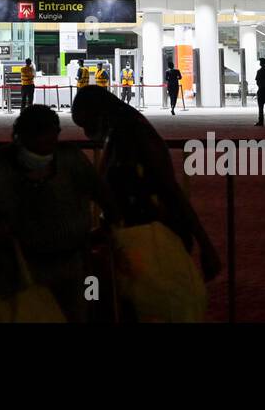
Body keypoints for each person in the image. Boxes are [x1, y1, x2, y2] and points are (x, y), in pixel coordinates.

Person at [71, 86, 221, 321]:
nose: (87, 133)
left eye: (87, 124)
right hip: (131, 238)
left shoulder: (134, 134)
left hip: (154, 237)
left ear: (100, 112)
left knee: (150, 306)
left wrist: (206, 245)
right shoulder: (117, 134)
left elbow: (170, 189)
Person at [0, 105, 113, 322]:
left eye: (50, 143)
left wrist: (103, 231)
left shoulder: (71, 160)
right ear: (19, 138)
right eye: (37, 143)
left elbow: (104, 196)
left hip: (71, 264)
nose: (44, 151)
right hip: (18, 268)